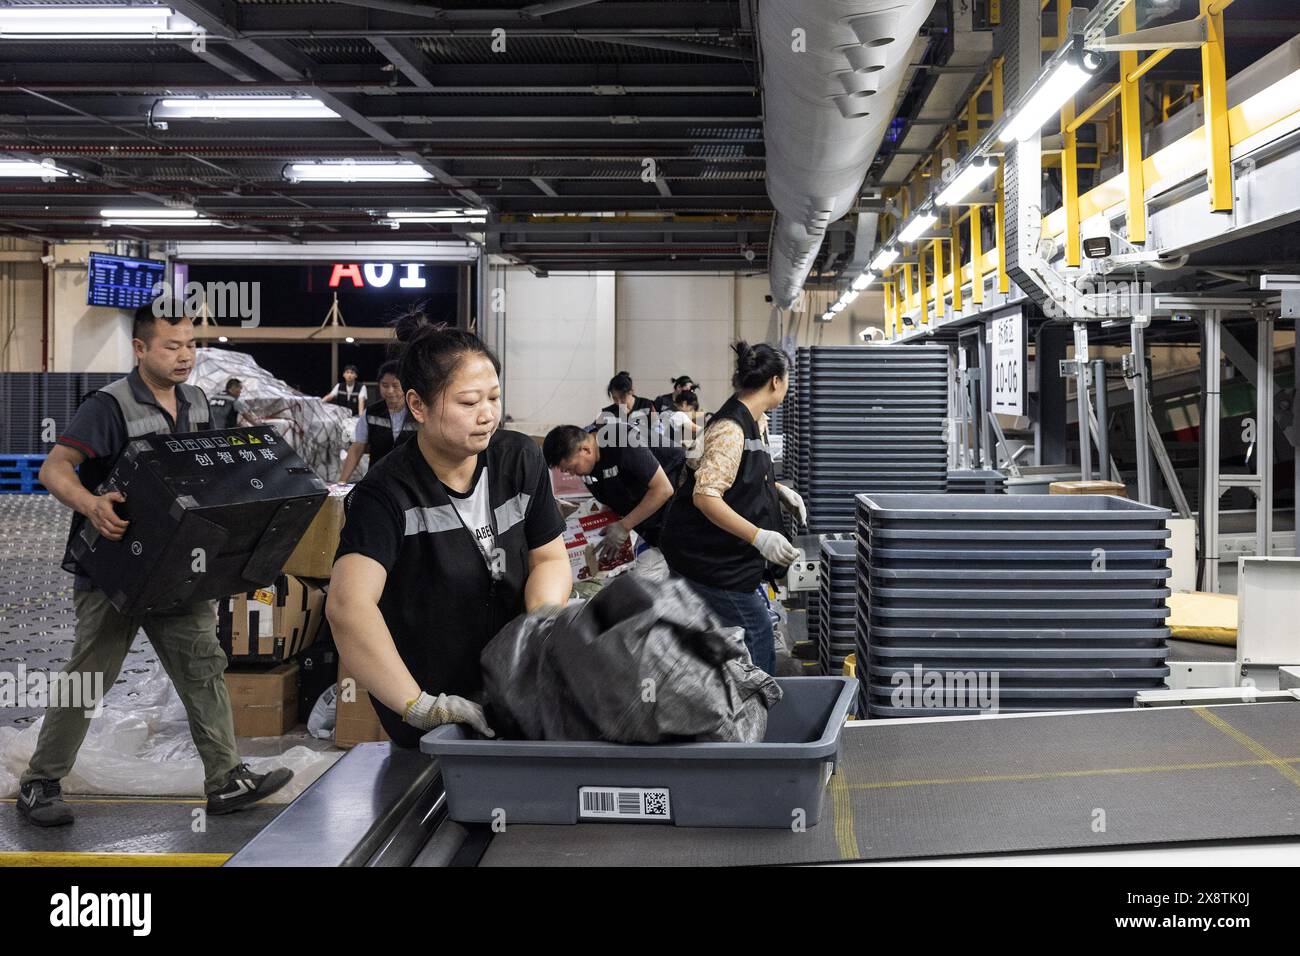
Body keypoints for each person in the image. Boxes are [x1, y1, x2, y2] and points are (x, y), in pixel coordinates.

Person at [19, 304, 293, 828]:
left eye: (190, 344)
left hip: (177, 565)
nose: (185, 355)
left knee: (202, 667)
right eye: (172, 346)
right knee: (90, 677)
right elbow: (56, 468)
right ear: (141, 349)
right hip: (113, 570)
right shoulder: (109, 405)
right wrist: (92, 505)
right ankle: (41, 782)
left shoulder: (196, 401)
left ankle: (226, 778)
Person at [326, 313, 572, 748]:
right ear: (418, 405)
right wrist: (420, 706)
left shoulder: (518, 460)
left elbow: (549, 557)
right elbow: (348, 606)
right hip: (431, 708)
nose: (487, 415)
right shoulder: (386, 493)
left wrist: (541, 621)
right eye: (468, 402)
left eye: (494, 398)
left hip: (513, 693)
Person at [659, 342, 807, 673]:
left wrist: (777, 490)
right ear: (774, 382)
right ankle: (757, 717)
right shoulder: (731, 428)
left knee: (736, 640)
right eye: (788, 378)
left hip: (721, 558)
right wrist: (759, 537)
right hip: (710, 562)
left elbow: (728, 470)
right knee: (755, 636)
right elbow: (706, 495)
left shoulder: (753, 420)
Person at [542, 422, 680, 562]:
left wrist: (625, 525)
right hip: (650, 521)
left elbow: (663, 489)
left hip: (679, 506)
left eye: (573, 468)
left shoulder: (621, 440)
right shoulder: (587, 465)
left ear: (586, 450)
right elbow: (612, 493)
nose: (572, 474)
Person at [338, 360, 418, 484]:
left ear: (406, 385)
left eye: (396, 385)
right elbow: (357, 448)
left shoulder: (417, 413)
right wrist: (342, 481)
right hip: (377, 481)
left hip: (411, 482)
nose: (390, 391)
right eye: (385, 385)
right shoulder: (371, 413)